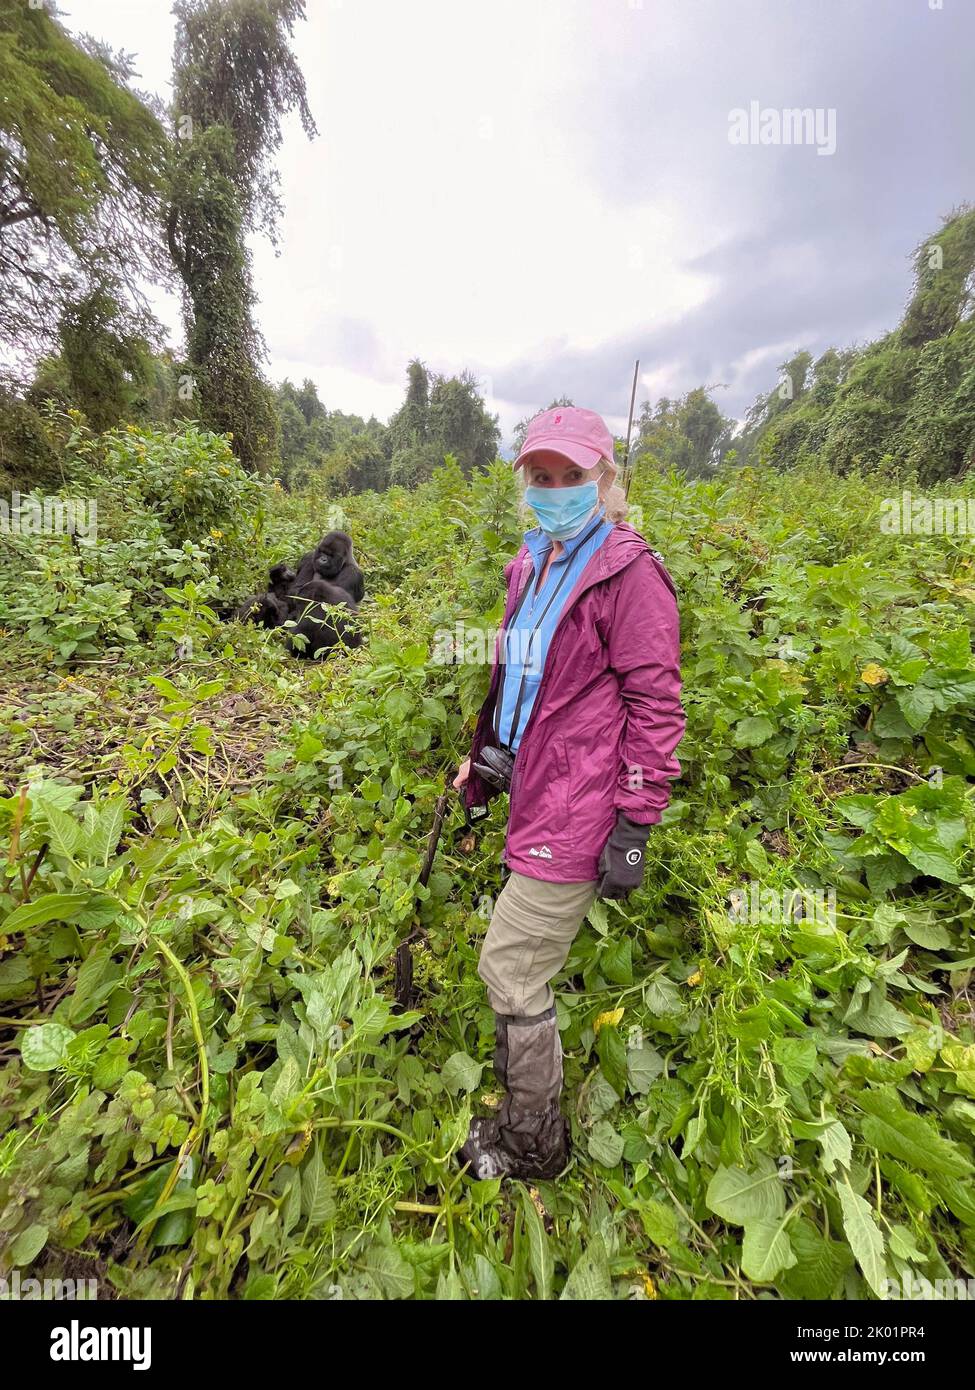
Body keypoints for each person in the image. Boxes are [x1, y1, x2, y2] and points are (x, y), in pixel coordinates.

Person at [452, 404, 686, 1181]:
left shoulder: (628, 573)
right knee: (516, 967)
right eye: (541, 477)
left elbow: (656, 706)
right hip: (533, 780)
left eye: (572, 477)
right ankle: (528, 1120)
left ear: (604, 480)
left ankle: (533, 1145)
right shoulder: (532, 561)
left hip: (579, 800)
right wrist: (484, 755)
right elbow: (517, 679)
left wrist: (635, 821)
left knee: (511, 971)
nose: (555, 490)